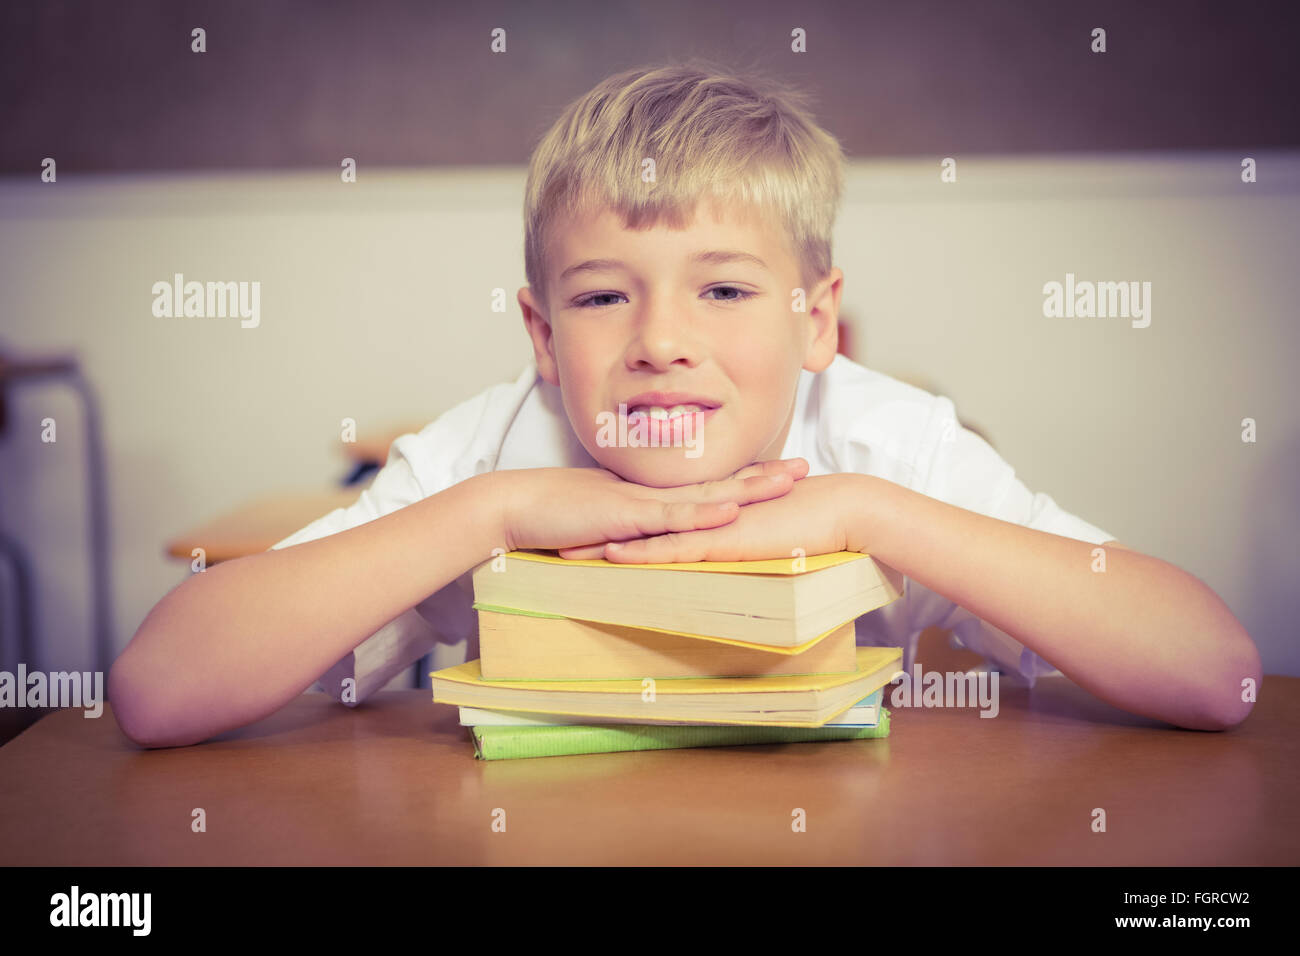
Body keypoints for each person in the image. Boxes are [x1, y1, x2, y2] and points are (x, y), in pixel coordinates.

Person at [109, 62, 1260, 748]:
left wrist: (876, 515)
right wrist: (488, 516)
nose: (661, 341)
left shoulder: (878, 441)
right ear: (543, 338)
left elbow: (1216, 673)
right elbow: (157, 691)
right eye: (605, 296)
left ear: (816, 321)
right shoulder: (492, 451)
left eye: (723, 287)